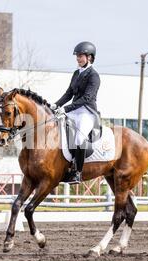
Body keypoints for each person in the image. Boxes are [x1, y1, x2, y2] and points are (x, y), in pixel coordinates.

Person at [50, 41, 101, 183]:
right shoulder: (76, 73)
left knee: (79, 139)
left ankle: (78, 172)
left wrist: (65, 109)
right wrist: (55, 105)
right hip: (74, 110)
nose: (78, 59)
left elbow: (87, 98)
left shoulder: (94, 76)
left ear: (89, 57)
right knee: (56, 127)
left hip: (87, 112)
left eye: (80, 56)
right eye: (77, 56)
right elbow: (69, 93)